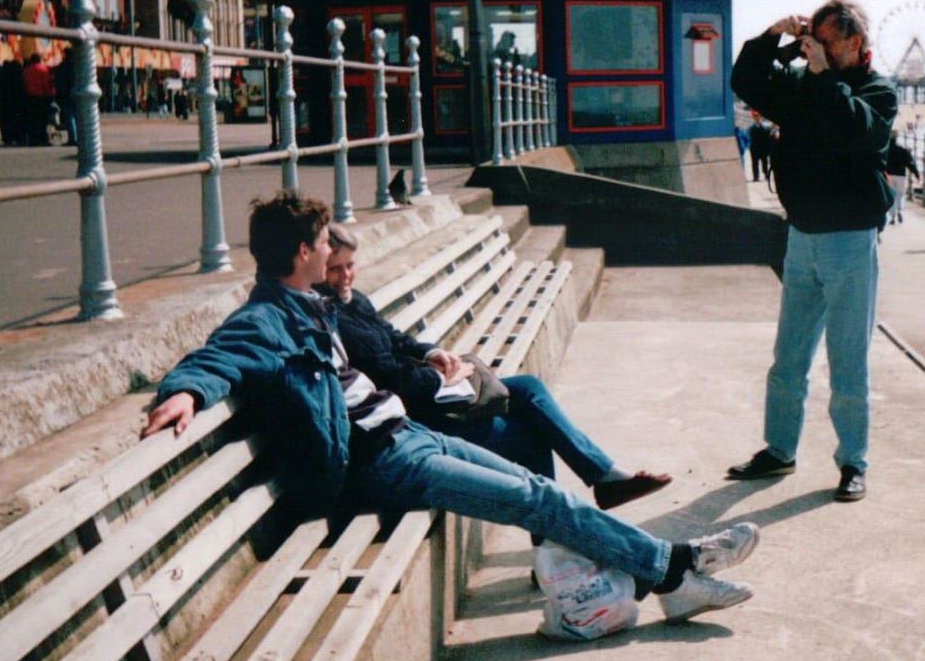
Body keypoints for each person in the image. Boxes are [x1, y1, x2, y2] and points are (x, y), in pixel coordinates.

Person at [141, 191, 757, 623]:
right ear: (304, 251)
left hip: (407, 435)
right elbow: (218, 355)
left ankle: (669, 572)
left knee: (539, 489)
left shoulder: (312, 303)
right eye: (325, 243)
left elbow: (381, 346)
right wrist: (186, 392)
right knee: (536, 500)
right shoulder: (265, 318)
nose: (331, 254)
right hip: (381, 463)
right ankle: (675, 569)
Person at [317, 222, 673, 512]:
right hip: (418, 421)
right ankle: (556, 542)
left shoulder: (353, 300)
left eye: (350, 265)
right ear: (318, 268)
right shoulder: (331, 318)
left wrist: (433, 354)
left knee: (528, 387)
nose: (345, 275)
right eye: (335, 269)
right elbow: (391, 379)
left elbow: (395, 339)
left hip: (433, 396)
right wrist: (441, 378)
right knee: (531, 436)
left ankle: (604, 477)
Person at [726, 0, 897, 503]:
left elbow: (855, 131)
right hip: (801, 236)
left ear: (854, 42)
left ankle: (853, 462)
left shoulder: (877, 91)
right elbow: (747, 83)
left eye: (824, 42)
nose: (813, 50)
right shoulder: (803, 83)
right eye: (811, 40)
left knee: (847, 362)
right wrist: (770, 39)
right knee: (788, 358)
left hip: (850, 241)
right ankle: (779, 450)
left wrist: (822, 75)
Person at [885, 129, 918, 225]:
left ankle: (893, 216)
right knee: (900, 194)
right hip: (901, 175)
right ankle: (899, 209)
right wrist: (916, 173)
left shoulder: (886, 149)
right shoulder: (902, 149)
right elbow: (910, 162)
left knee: (891, 195)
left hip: (889, 175)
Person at [747, 111, 775, 185]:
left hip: (764, 147)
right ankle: (756, 176)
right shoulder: (751, 127)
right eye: (755, 116)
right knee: (754, 163)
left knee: (765, 162)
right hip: (754, 148)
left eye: (758, 116)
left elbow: (770, 134)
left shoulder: (766, 126)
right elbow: (748, 137)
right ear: (753, 117)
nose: (757, 117)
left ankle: (766, 175)